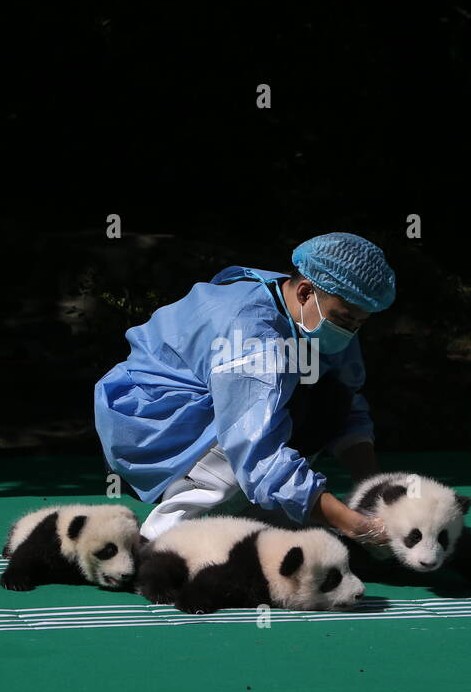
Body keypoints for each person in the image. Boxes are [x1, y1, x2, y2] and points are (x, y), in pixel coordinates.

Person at [93, 232, 396, 544]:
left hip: (214, 410)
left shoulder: (314, 305)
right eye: (345, 320)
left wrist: (373, 492)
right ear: (305, 292)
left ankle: (257, 513)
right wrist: (353, 524)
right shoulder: (251, 336)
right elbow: (254, 446)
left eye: (360, 323)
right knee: (250, 440)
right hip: (150, 431)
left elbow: (347, 405)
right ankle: (168, 537)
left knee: (328, 400)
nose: (351, 331)